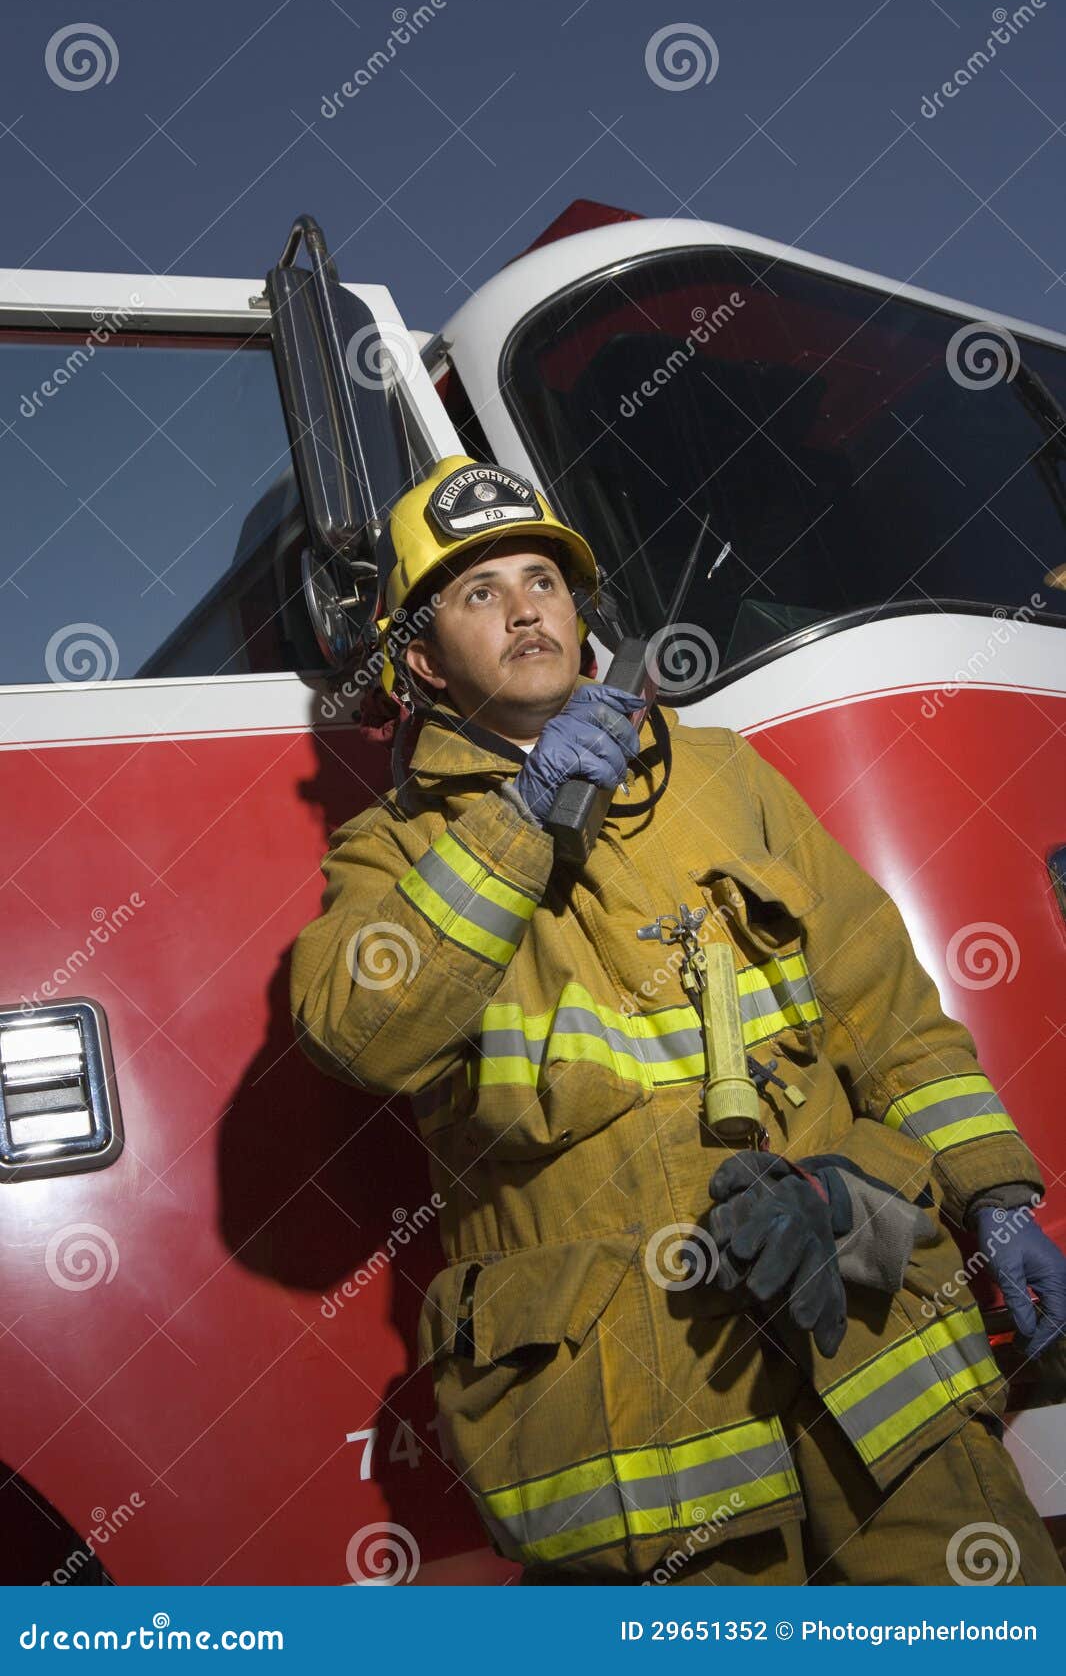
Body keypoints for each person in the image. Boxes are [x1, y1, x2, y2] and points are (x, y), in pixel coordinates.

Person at [291, 456, 1066, 1585]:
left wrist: (996, 1192)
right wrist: (518, 825)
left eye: (543, 582)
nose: (522, 608)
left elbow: (885, 1009)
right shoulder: (394, 852)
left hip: (866, 1325)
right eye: (478, 592)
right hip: (643, 1416)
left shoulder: (722, 774)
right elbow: (356, 1031)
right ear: (419, 659)